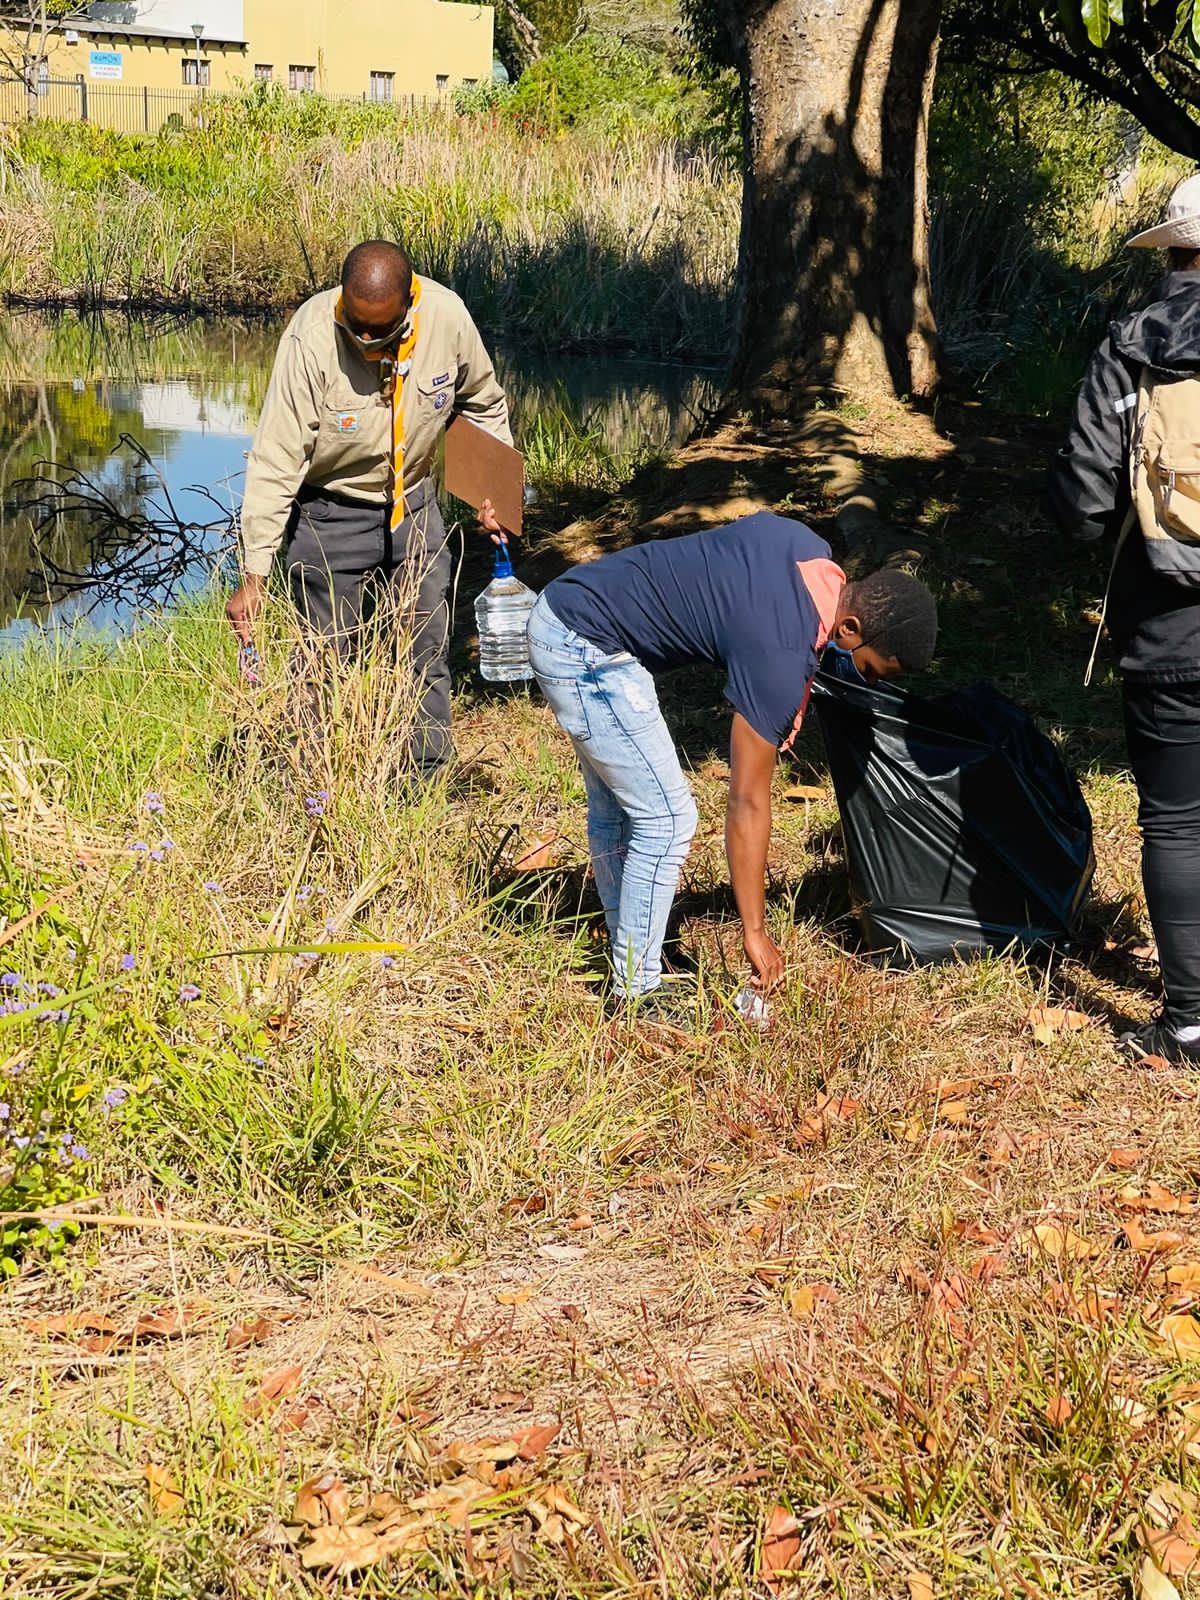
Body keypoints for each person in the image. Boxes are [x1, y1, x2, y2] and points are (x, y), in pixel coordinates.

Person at [527, 509, 938, 1013]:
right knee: (667, 819)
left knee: (621, 810)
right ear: (849, 628)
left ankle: (631, 953)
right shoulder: (780, 656)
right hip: (584, 646)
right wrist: (755, 931)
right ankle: (636, 992)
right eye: (872, 671)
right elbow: (746, 800)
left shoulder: (804, 546)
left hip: (568, 602)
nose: (867, 681)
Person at [227, 239, 510, 777]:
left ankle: (425, 775)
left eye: (380, 329)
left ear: (409, 301)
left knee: (427, 645)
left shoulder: (446, 316)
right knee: (321, 654)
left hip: (417, 502)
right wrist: (255, 572)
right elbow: (276, 459)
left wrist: (491, 494)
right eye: (355, 325)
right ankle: (312, 778)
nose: (364, 338)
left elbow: (483, 402)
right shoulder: (310, 337)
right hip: (331, 510)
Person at [1051, 173, 1200, 1065]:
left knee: (1179, 820)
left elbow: (1079, 500)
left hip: (1165, 624)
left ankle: (1188, 1018)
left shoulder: (1131, 345)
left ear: (1176, 249)